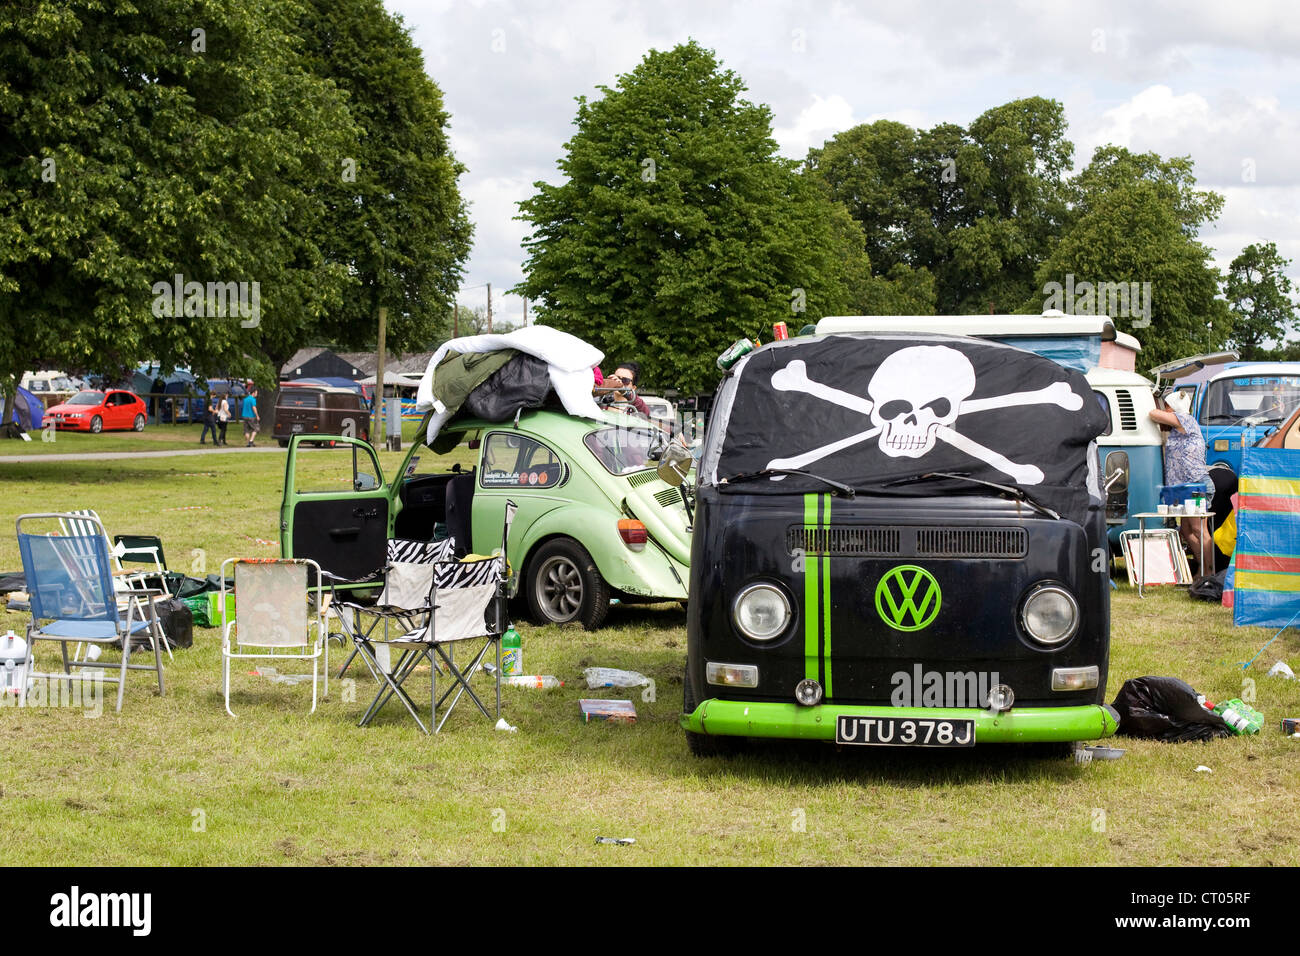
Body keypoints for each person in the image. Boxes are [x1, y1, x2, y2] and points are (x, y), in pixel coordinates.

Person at [1149, 390, 1213, 572]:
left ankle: (1209, 572)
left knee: (1199, 530)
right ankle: (1203, 568)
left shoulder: (1186, 420)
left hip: (1196, 485)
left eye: (1168, 406)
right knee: (1186, 530)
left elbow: (1153, 414)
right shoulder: (1179, 429)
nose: (1166, 410)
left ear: (1176, 408)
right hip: (1186, 487)